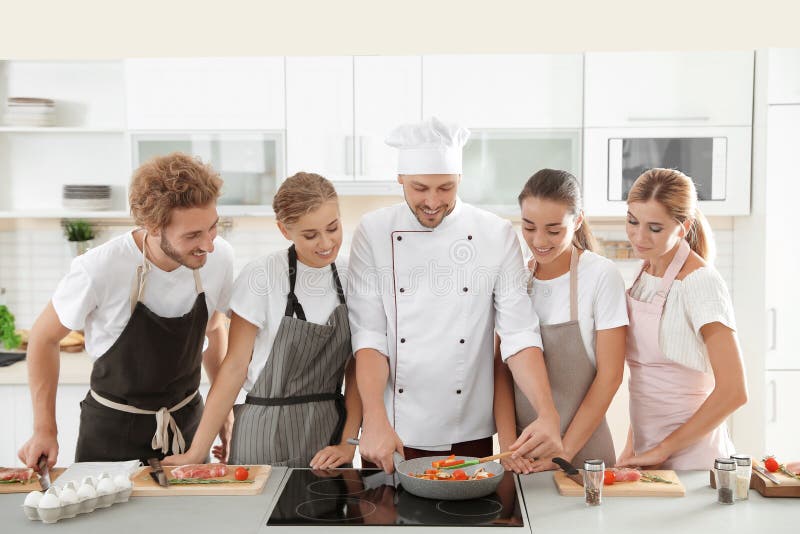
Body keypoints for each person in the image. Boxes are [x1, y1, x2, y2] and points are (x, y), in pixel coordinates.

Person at [347, 117, 562, 473]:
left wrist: (547, 412)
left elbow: (519, 335)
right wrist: (373, 417)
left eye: (445, 188)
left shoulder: (495, 234)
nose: (433, 201)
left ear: (460, 179)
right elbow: (369, 337)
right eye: (419, 188)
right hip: (391, 431)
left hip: (468, 433)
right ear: (400, 179)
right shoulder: (374, 231)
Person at [18, 152, 234, 468]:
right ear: (153, 227)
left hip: (188, 429)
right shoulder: (99, 268)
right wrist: (44, 429)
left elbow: (214, 328)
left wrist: (223, 412)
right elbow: (42, 338)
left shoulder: (220, 259)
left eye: (212, 228)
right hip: (111, 436)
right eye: (192, 235)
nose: (209, 245)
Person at [164, 172, 360, 469]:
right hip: (266, 433)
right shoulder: (262, 275)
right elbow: (234, 367)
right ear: (284, 230)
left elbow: (357, 371)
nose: (326, 243)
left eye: (333, 228)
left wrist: (348, 444)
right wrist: (196, 453)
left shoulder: (352, 277)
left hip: (328, 435)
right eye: (310, 235)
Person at [494, 169, 628, 474]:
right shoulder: (516, 278)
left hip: (584, 457)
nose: (538, 241)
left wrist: (563, 452)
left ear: (577, 220)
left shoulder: (600, 276)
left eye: (554, 230)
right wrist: (506, 446)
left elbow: (610, 377)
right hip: (523, 461)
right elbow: (501, 369)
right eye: (529, 227)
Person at [617, 168, 747, 470]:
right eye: (632, 222)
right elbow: (649, 381)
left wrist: (663, 450)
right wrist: (632, 446)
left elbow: (734, 391)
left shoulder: (701, 282)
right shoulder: (643, 274)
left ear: (684, 226)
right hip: (649, 453)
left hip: (694, 460)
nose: (639, 237)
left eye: (655, 228)